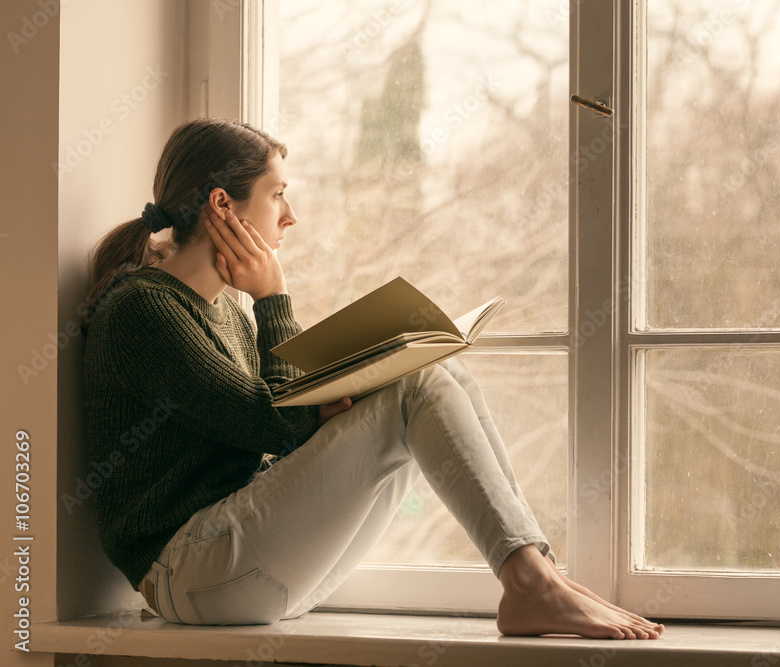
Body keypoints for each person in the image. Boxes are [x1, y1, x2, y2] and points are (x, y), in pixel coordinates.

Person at [82, 117, 665, 640]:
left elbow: (283, 427)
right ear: (223, 206)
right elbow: (276, 424)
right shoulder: (144, 309)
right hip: (190, 574)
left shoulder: (223, 312)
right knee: (417, 387)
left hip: (240, 574)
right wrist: (273, 299)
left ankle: (537, 572)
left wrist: (330, 405)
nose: (290, 216)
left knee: (439, 370)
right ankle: (531, 583)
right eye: (277, 195)